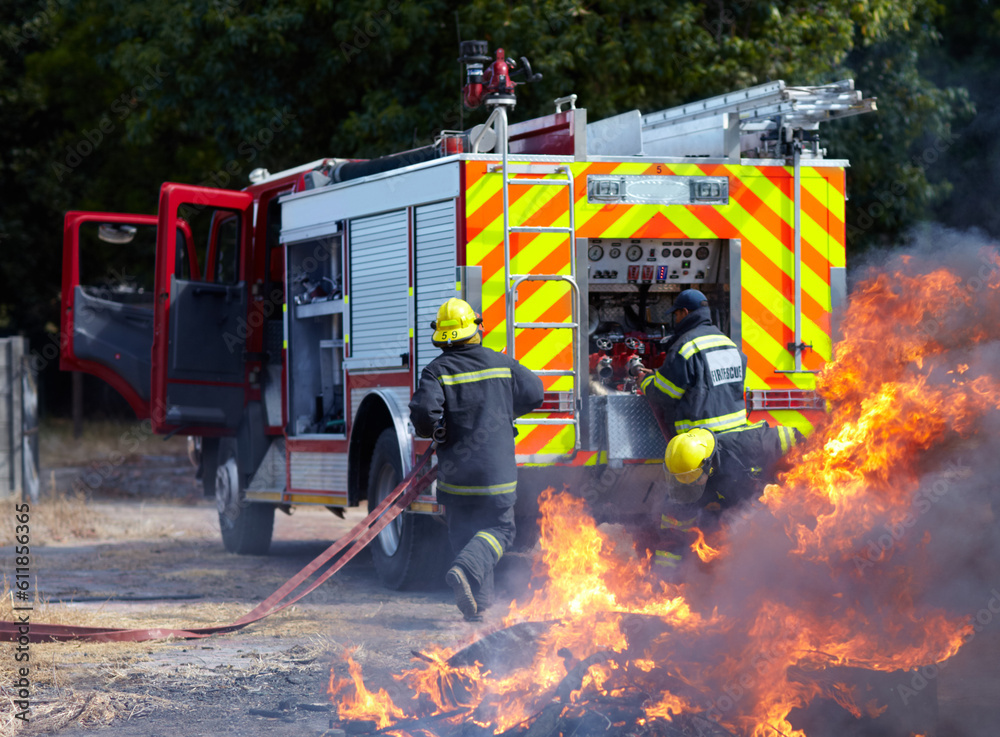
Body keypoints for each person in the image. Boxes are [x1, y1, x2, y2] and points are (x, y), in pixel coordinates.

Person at [409, 298, 544, 621]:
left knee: (466, 535)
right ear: (474, 329)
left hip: (456, 477)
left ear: (442, 335)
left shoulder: (436, 370)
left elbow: (425, 413)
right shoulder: (500, 363)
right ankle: (465, 570)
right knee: (499, 530)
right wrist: (506, 412)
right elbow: (536, 392)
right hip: (496, 475)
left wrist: (436, 428)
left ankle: (478, 610)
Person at [654, 422, 803, 570]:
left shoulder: (750, 443)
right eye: (682, 479)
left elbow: (797, 440)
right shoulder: (684, 480)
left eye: (691, 478)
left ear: (707, 465)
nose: (687, 484)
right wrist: (665, 575)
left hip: (779, 512)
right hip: (740, 526)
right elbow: (672, 533)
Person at [638, 289, 748, 441]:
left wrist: (645, 380)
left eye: (676, 315)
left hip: (699, 441)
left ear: (685, 312)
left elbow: (663, 394)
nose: (676, 320)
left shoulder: (686, 347)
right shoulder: (728, 344)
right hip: (734, 437)